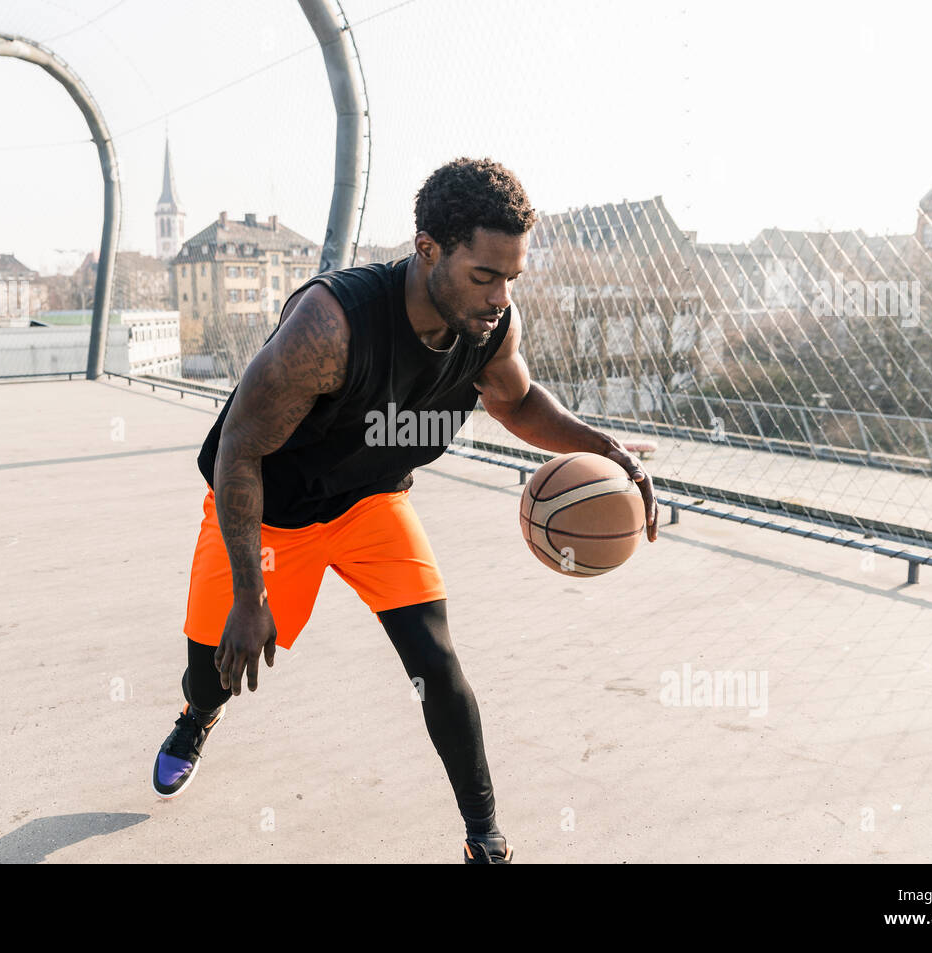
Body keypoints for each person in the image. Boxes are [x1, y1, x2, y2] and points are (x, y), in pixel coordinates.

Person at [151, 157, 658, 863]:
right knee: (213, 669)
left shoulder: (490, 322)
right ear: (428, 249)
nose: (499, 294)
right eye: (485, 274)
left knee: (435, 658)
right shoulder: (330, 326)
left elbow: (516, 400)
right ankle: (197, 715)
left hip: (372, 502)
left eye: (511, 276)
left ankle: (485, 836)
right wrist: (249, 590)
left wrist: (610, 449)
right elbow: (239, 447)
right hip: (273, 510)